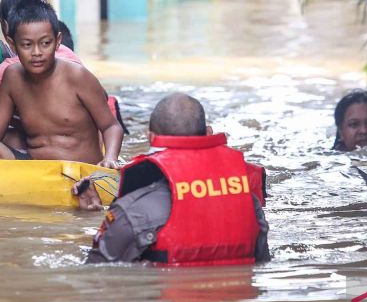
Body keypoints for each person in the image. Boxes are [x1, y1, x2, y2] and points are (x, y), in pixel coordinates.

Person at [79, 93, 270, 265]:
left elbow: (96, 272)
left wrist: (93, 215)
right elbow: (261, 261)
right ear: (208, 133)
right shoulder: (248, 201)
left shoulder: (132, 210)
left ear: (150, 137)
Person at [0, 0, 123, 168]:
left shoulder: (78, 76)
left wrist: (110, 157)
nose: (37, 52)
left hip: (78, 170)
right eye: (27, 45)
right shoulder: (12, 76)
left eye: (45, 43)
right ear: (12, 44)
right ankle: (11, 180)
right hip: (34, 171)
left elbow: (111, 126)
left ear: (57, 41)